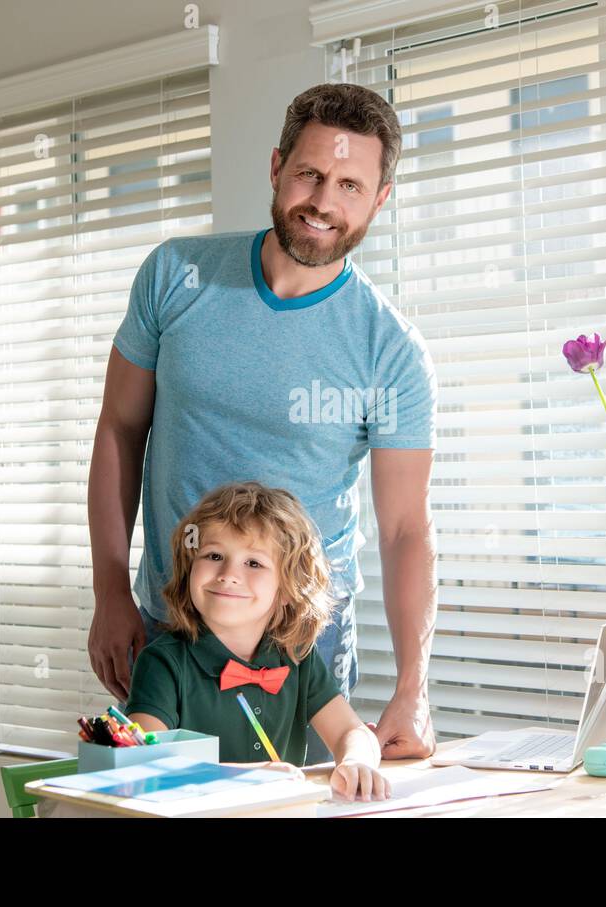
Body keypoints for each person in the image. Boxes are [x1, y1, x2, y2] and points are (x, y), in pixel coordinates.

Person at [89, 82, 439, 765]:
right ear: (277, 167)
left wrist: (412, 684)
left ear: (380, 199)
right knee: (154, 804)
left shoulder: (391, 351)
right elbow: (118, 430)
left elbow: (405, 531)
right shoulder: (175, 275)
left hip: (306, 642)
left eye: (350, 184)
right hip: (173, 622)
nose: (323, 202)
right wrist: (108, 590)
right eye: (309, 174)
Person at [125, 481, 390, 802]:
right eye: (214, 554)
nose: (228, 574)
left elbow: (352, 732)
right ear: (188, 569)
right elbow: (144, 764)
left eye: (253, 563)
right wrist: (244, 779)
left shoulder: (297, 658)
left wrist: (355, 760)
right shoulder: (162, 663)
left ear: (288, 590)